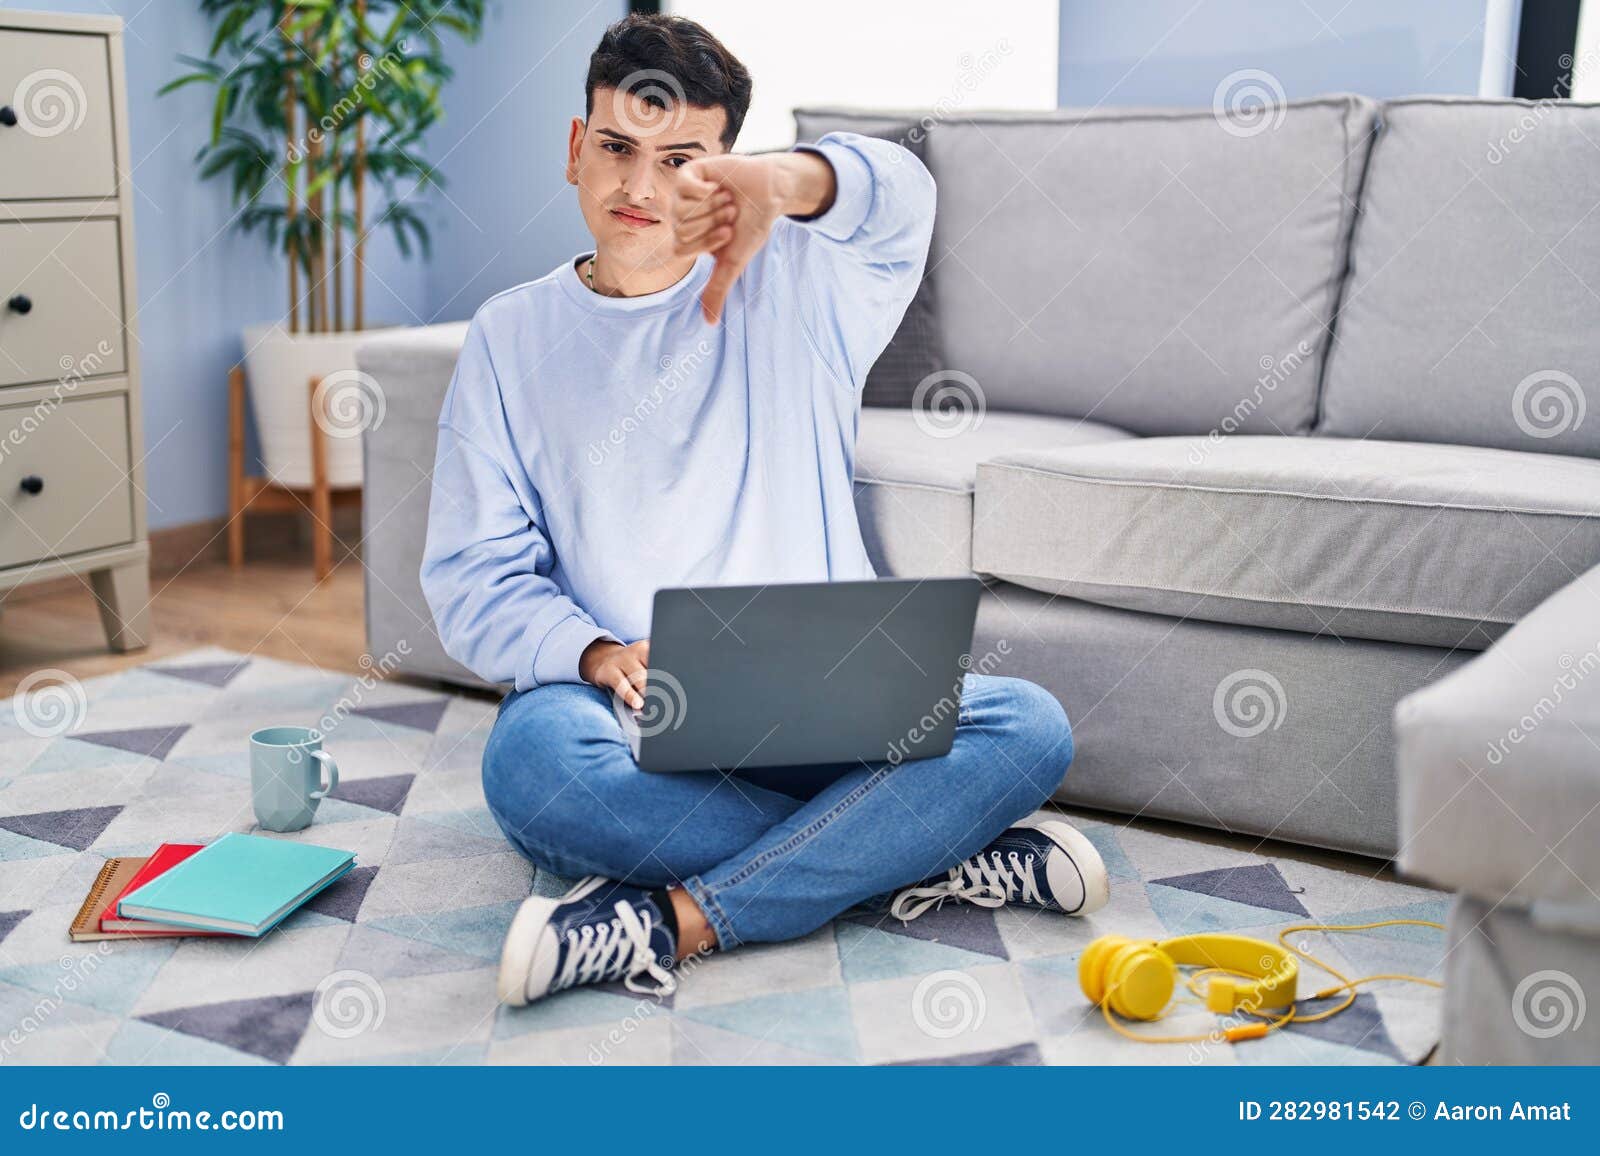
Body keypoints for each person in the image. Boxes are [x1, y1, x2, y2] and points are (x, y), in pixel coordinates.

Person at [420, 13, 1108, 1007]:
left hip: (819, 698)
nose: (642, 188)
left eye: (683, 162)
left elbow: (902, 190)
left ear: (726, 171)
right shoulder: (507, 336)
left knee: (1030, 727)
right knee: (531, 769)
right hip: (626, 703)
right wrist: (588, 652)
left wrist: (788, 185)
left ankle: (676, 919)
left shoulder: (803, 282)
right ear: (576, 150)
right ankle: (922, 845)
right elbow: (473, 573)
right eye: (615, 148)